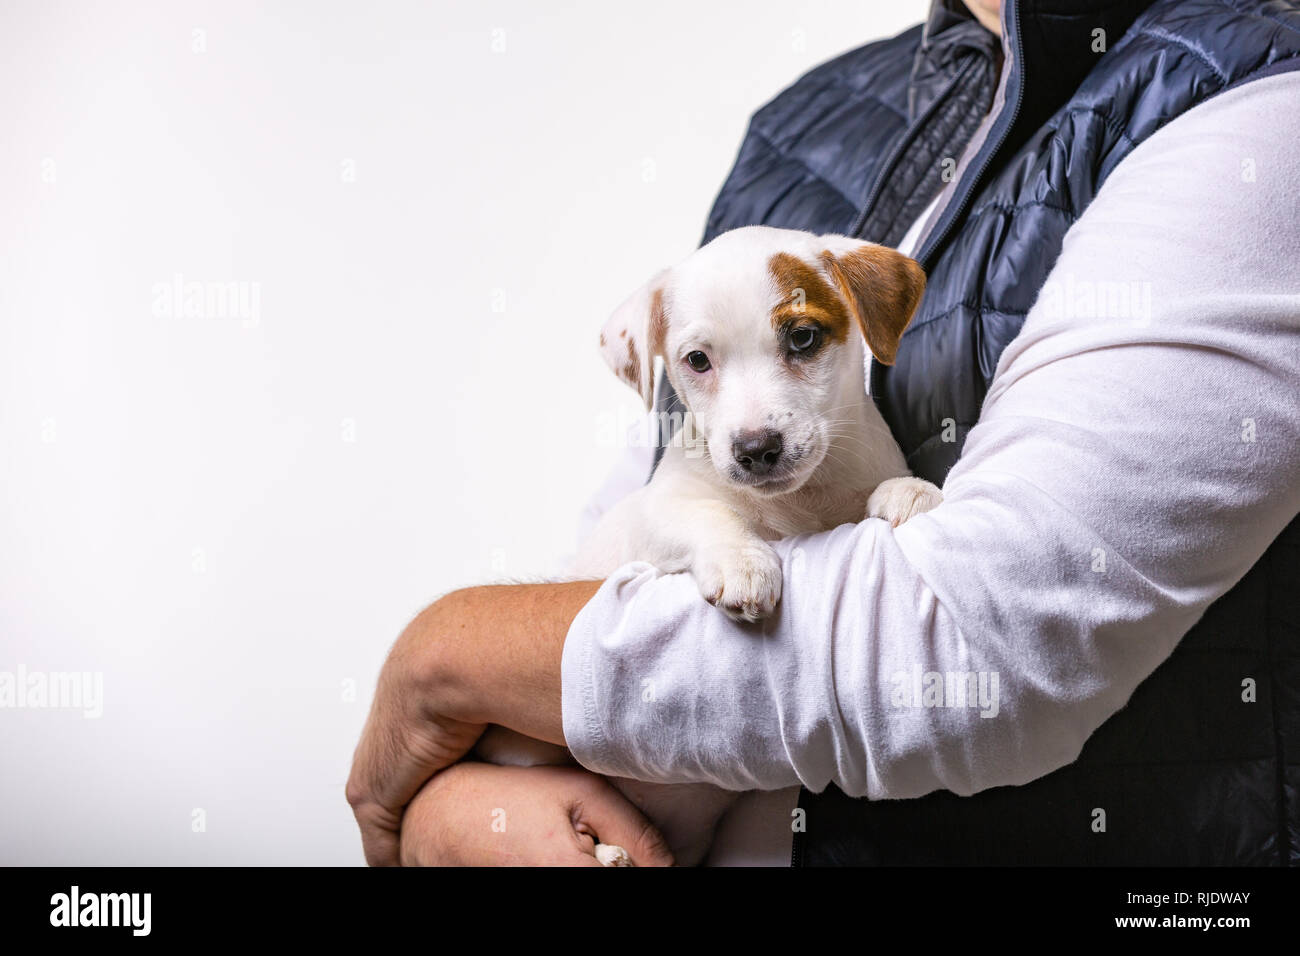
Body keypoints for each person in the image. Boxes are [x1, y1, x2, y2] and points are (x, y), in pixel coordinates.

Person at [347, 0, 1300, 866]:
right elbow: (631, 527)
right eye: (700, 367)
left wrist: (450, 662)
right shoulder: (804, 122)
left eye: (801, 342)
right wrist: (453, 806)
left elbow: (972, 653)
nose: (752, 424)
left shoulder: (1251, 87)